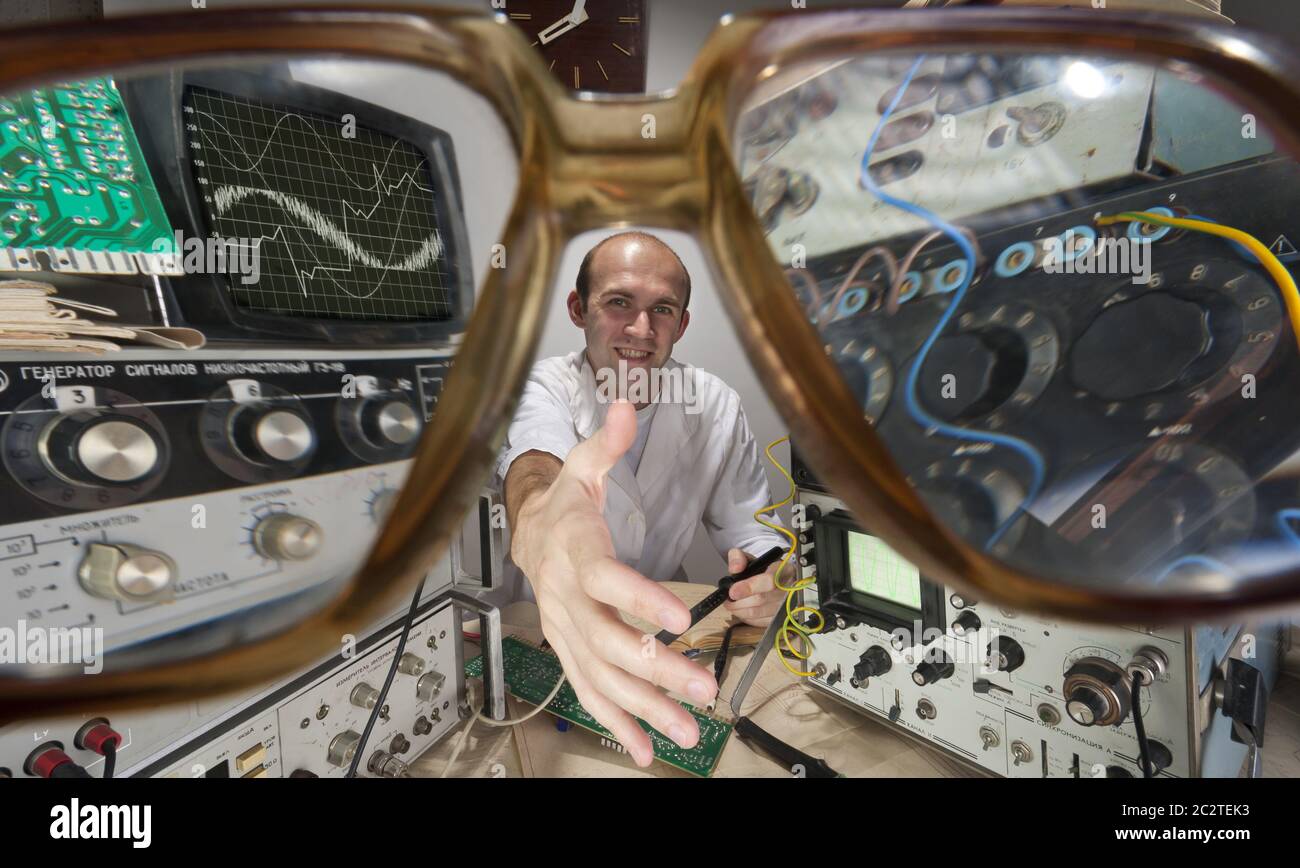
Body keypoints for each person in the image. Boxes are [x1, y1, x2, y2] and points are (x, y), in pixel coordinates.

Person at [497, 231, 789, 767]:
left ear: (681, 324)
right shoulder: (541, 387)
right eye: (618, 302)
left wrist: (768, 577)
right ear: (578, 308)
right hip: (543, 624)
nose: (641, 328)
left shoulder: (716, 406)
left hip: (667, 635)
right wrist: (540, 518)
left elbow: (751, 531)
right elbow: (534, 467)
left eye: (662, 309)